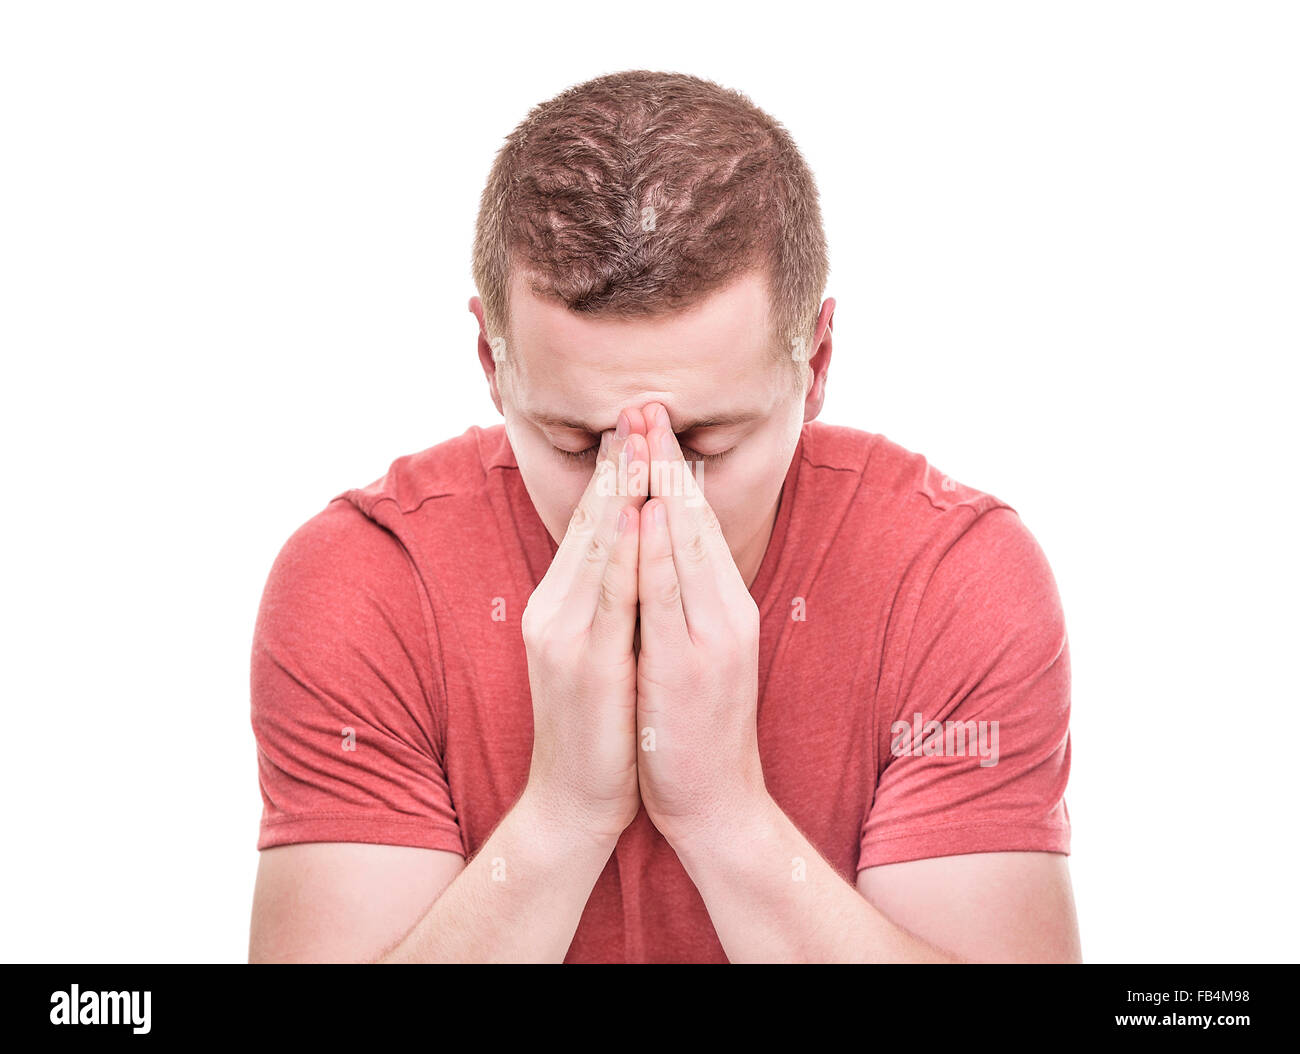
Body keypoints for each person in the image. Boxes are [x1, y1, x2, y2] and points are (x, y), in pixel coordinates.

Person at [247, 70, 1080, 963]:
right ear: (493, 365)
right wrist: (563, 815)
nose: (642, 488)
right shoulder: (366, 583)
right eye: (576, 441)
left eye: (709, 442)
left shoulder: (952, 579)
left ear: (817, 362)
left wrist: (723, 813)